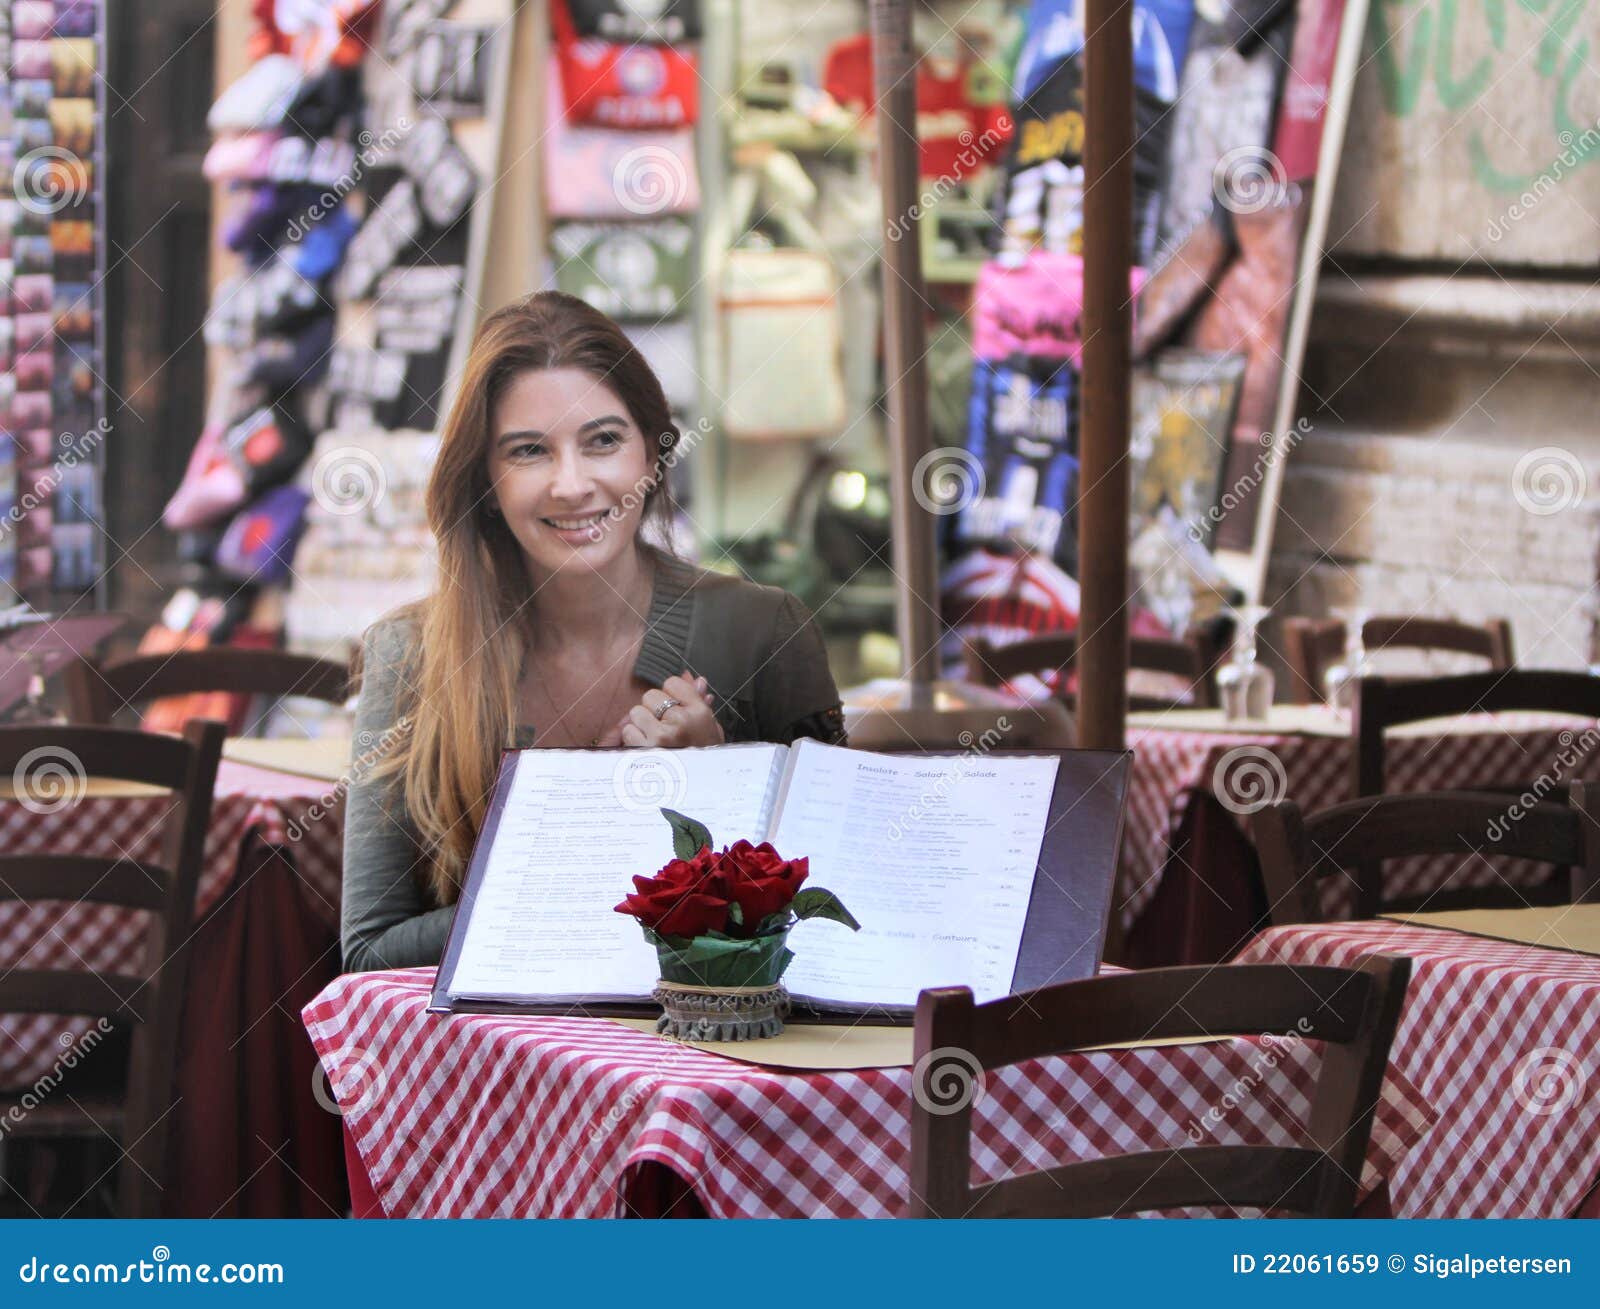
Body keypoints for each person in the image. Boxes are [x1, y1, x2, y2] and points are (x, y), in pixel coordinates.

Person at [340, 293, 846, 972]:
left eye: (603, 440)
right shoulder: (408, 655)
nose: (571, 484)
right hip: (490, 1068)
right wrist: (605, 843)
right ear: (485, 479)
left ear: (653, 455)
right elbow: (370, 951)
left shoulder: (766, 632)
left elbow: (838, 914)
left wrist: (717, 783)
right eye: (528, 451)